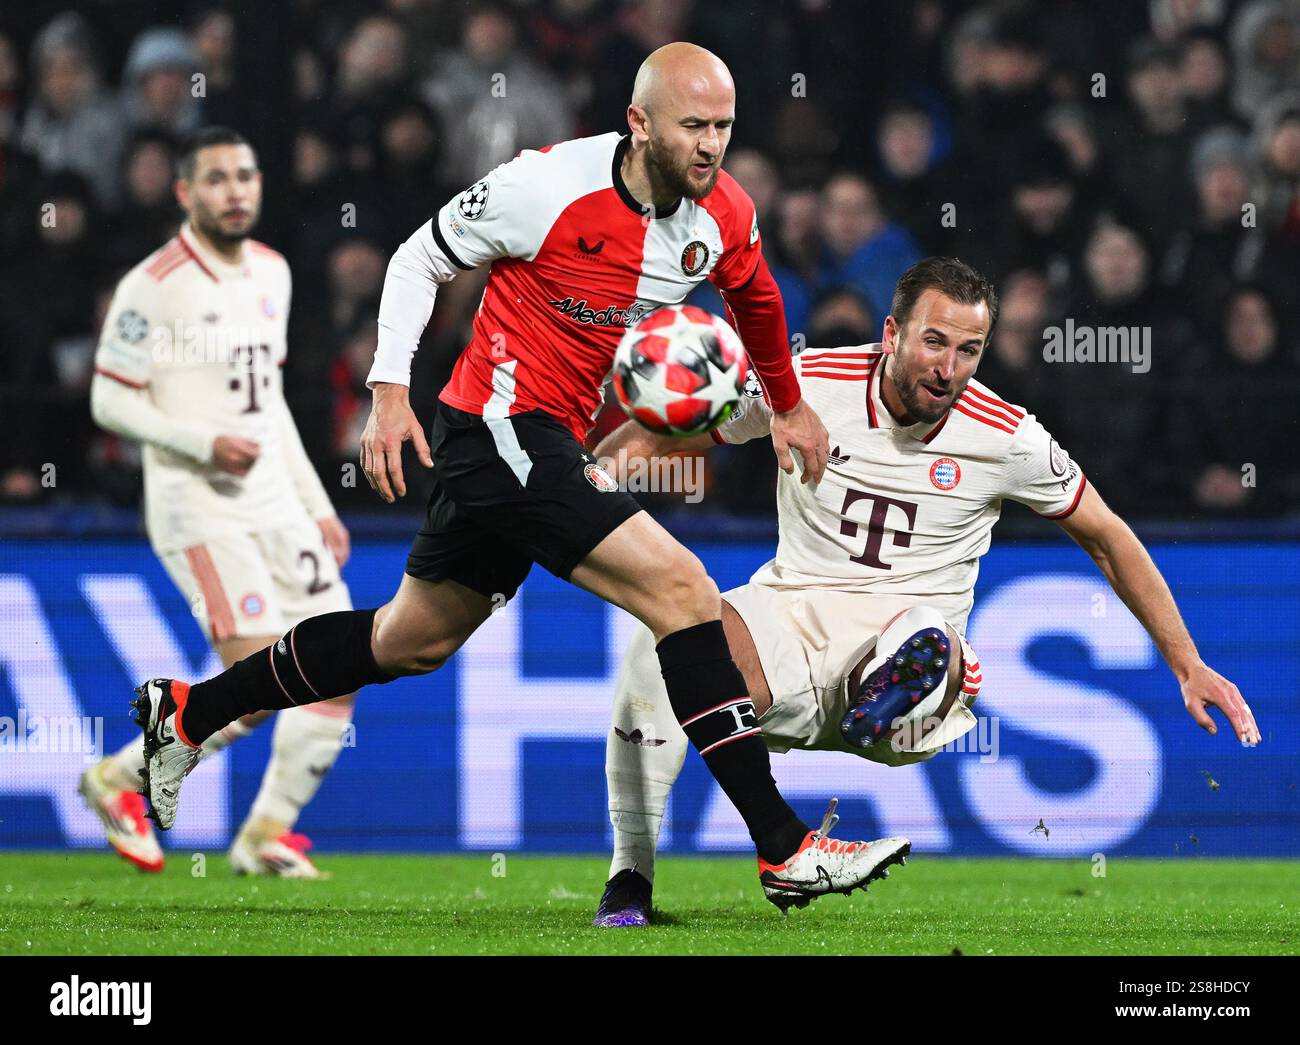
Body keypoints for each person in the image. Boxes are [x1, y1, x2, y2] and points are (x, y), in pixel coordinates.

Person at [130, 43, 909, 913]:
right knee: (685, 593)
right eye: (694, 126)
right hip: (497, 427)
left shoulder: (721, 212)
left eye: (724, 127)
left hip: (541, 443)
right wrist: (390, 390)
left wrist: (792, 404)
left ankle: (188, 712)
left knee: (406, 641)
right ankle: (784, 846)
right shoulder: (544, 187)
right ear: (640, 122)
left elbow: (757, 298)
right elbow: (416, 258)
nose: (712, 146)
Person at [590, 256, 1261, 926]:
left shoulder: (1007, 436)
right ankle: (630, 882)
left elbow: (1109, 537)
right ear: (891, 333)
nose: (949, 368)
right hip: (791, 618)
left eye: (969, 349)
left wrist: (1187, 662)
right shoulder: (802, 385)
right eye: (934, 342)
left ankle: (909, 685)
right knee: (658, 652)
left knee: (926, 639)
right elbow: (670, 422)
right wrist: (573, 492)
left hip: (904, 643)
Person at [85, 127, 356, 878]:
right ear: (185, 193)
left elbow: (269, 405)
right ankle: (117, 781)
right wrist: (201, 443)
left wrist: (317, 504)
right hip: (196, 501)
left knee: (339, 663)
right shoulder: (154, 282)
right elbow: (109, 397)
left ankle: (264, 833)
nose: (234, 191)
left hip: (274, 498)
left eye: (245, 175)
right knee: (255, 679)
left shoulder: (272, 272)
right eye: (215, 179)